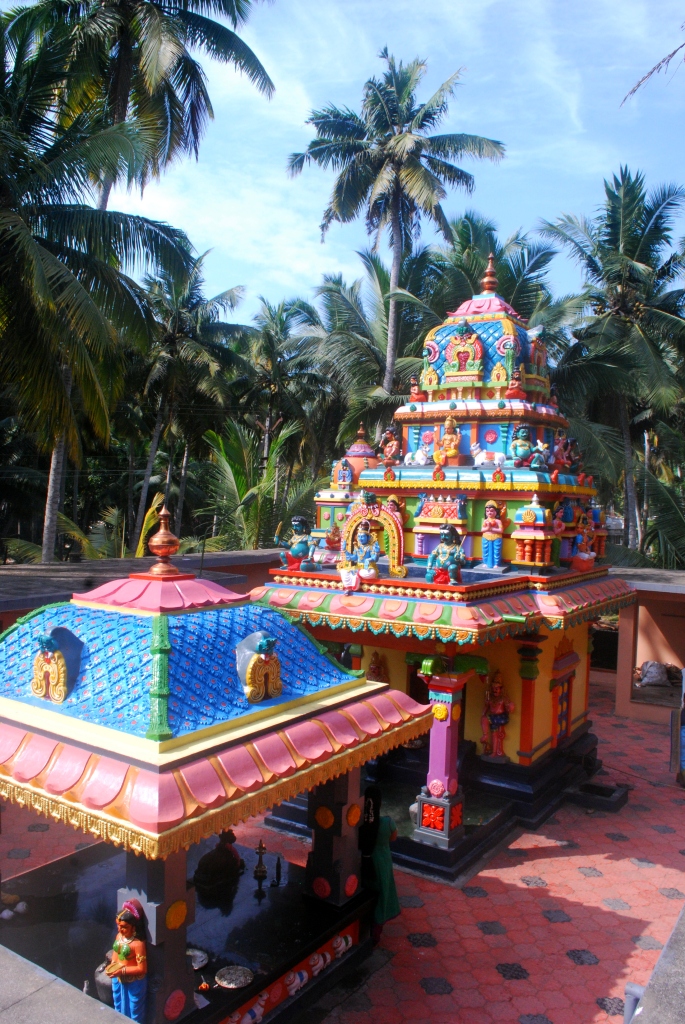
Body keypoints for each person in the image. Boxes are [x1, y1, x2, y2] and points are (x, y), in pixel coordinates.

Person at [358, 785, 400, 945]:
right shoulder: (387, 823)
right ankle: (376, 931)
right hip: (382, 862)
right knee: (382, 893)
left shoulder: (360, 825)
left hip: (366, 861)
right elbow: (393, 838)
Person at [106, 900, 147, 1022]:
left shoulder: (138, 944)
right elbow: (116, 954)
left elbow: (142, 969)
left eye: (124, 927)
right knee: (118, 1007)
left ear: (133, 927)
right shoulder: (119, 937)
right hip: (118, 979)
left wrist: (122, 970)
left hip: (134, 981)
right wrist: (112, 965)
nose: (120, 930)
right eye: (118, 926)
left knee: (135, 1012)